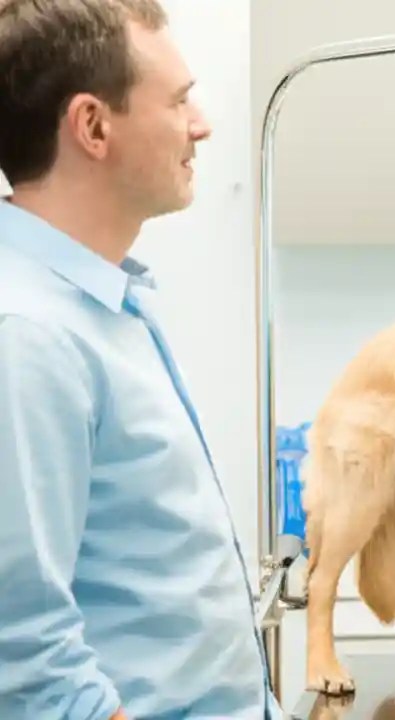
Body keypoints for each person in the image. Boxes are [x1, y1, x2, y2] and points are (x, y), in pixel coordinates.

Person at [0, 1, 280, 718]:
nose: (202, 124)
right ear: (92, 126)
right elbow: (24, 662)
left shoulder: (109, 305)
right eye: (180, 101)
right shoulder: (27, 337)